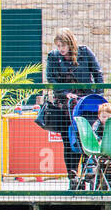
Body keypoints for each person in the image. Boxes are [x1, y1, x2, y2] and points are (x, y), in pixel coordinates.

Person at [42, 28, 104, 189]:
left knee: (87, 139)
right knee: (69, 142)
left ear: (70, 43)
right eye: (58, 45)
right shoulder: (54, 57)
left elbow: (97, 73)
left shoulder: (84, 52)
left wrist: (96, 96)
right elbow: (52, 79)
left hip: (85, 106)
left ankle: (88, 174)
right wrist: (64, 93)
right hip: (65, 106)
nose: (61, 49)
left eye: (63, 45)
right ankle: (73, 177)